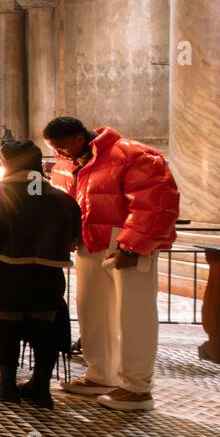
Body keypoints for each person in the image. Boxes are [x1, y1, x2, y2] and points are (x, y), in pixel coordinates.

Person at [42, 116, 180, 411]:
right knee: (92, 311)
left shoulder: (133, 155)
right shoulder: (66, 164)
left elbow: (156, 202)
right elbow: (65, 204)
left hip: (124, 241)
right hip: (89, 242)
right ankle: (101, 375)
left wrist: (132, 247)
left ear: (79, 138)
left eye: (62, 147)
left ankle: (136, 387)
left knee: (133, 315)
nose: (60, 154)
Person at [0, 136, 81, 408]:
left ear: (8, 164)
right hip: (47, 276)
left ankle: (7, 384)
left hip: (8, 274)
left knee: (8, 325)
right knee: (44, 327)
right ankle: (41, 387)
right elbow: (75, 237)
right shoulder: (62, 199)